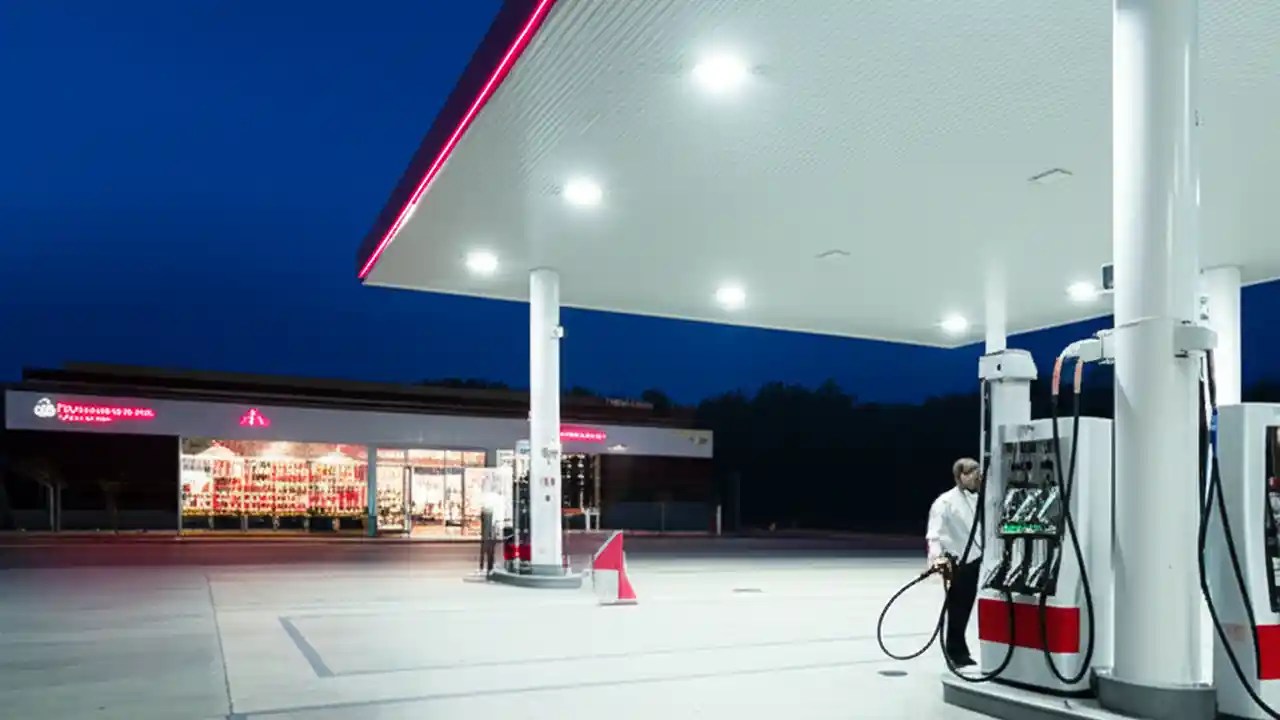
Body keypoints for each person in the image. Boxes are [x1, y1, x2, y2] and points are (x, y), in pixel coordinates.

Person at [925, 457, 984, 668]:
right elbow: (934, 535)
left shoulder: (981, 498)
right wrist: (937, 559)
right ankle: (956, 651)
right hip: (958, 562)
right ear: (961, 476)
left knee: (967, 608)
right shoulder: (945, 502)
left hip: (978, 561)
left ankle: (960, 648)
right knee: (958, 609)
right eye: (973, 472)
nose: (978, 477)